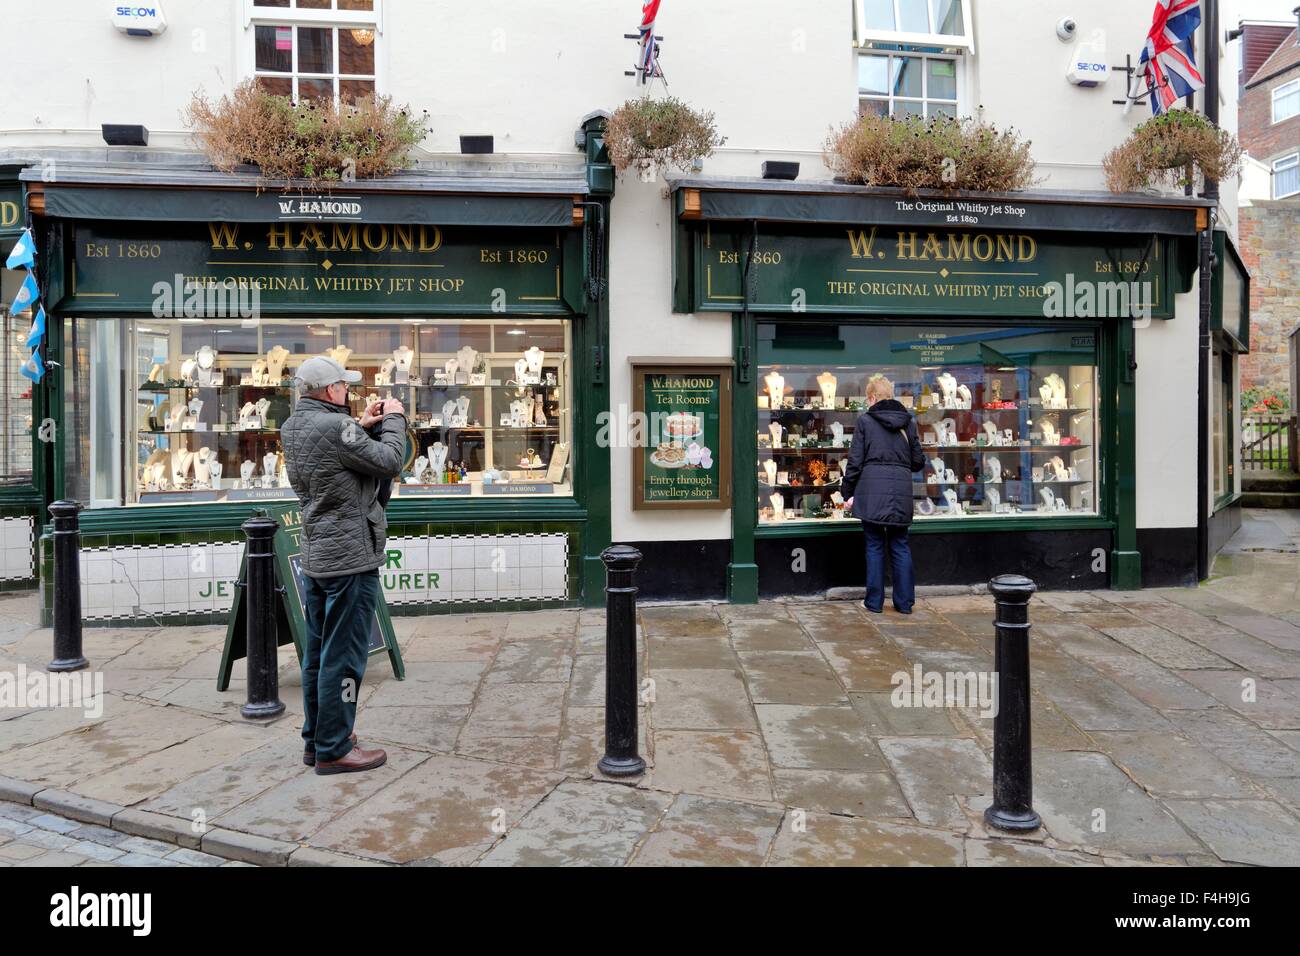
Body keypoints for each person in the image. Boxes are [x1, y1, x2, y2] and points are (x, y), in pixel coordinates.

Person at [281, 356, 406, 774]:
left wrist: (362, 426)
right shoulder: (338, 427)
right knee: (347, 657)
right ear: (330, 390)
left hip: (319, 554)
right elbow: (389, 461)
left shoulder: (294, 426)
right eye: (344, 386)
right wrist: (394, 421)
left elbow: (336, 454)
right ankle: (336, 748)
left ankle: (316, 740)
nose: (349, 392)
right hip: (350, 556)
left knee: (317, 653)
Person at [842, 373, 926, 614]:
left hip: (871, 491)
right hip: (901, 490)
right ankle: (904, 603)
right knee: (900, 545)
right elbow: (918, 461)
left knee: (874, 545)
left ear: (871, 397)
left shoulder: (865, 422)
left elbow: (855, 462)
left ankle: (874, 602)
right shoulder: (908, 422)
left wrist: (846, 491)